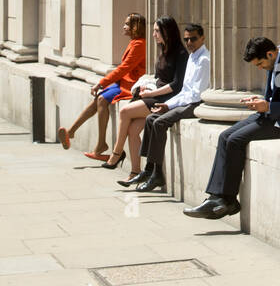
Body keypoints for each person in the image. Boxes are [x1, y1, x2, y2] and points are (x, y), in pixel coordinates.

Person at [183, 36, 280, 220]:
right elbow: (273, 94)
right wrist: (260, 102)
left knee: (236, 140)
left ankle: (228, 200)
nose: (260, 68)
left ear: (270, 54)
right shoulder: (275, 60)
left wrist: (269, 107)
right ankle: (216, 197)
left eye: (260, 64)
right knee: (224, 136)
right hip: (268, 115)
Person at [122, 23, 210, 192]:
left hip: (195, 104)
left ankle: (157, 174)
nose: (189, 42)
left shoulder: (204, 59)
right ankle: (149, 170)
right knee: (150, 119)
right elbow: (185, 90)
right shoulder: (192, 56)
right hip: (184, 100)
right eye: (187, 39)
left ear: (203, 38)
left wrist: (168, 105)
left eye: (193, 39)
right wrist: (167, 105)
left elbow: (195, 95)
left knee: (159, 122)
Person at [103, 17, 187, 173]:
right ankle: (135, 171)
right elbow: (160, 78)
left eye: (156, 31)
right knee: (133, 131)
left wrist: (152, 92)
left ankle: (117, 152)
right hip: (155, 94)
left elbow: (176, 85)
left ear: (166, 32)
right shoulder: (163, 49)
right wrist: (147, 86)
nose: (153, 34)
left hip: (166, 98)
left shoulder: (181, 53)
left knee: (124, 111)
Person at [57, 14, 147, 159]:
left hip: (130, 86)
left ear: (136, 27)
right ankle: (72, 132)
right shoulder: (135, 42)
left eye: (127, 24)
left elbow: (124, 68)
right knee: (99, 98)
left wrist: (101, 83)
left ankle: (100, 144)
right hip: (123, 82)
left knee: (101, 99)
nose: (124, 27)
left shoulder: (139, 44)